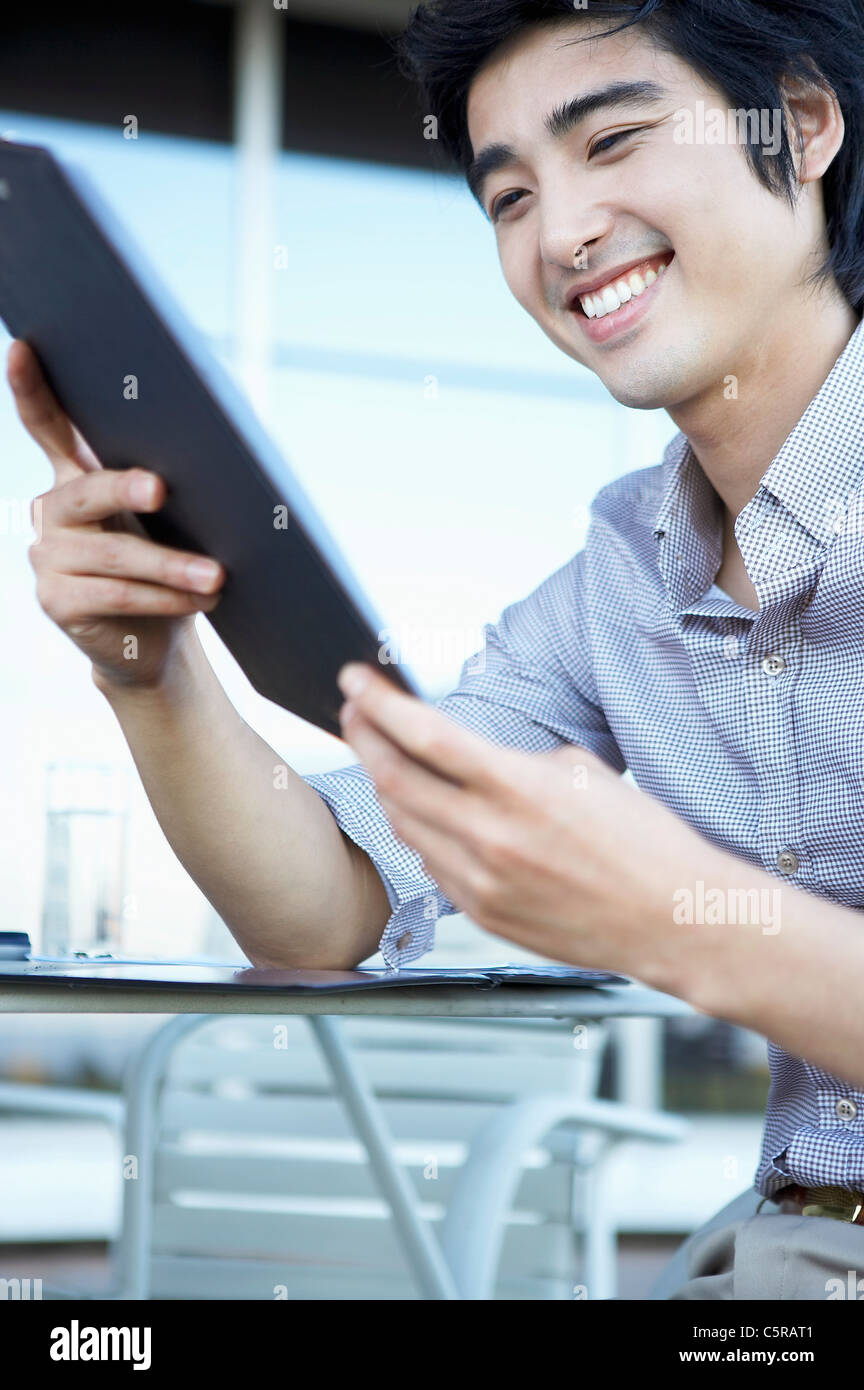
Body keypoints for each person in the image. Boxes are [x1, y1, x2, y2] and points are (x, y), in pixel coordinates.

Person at [8, 0, 864, 1298]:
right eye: (507, 196)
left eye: (615, 139)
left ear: (801, 127)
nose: (562, 232)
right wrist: (152, 667)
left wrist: (676, 915)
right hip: (793, 1250)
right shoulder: (616, 582)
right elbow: (327, 905)